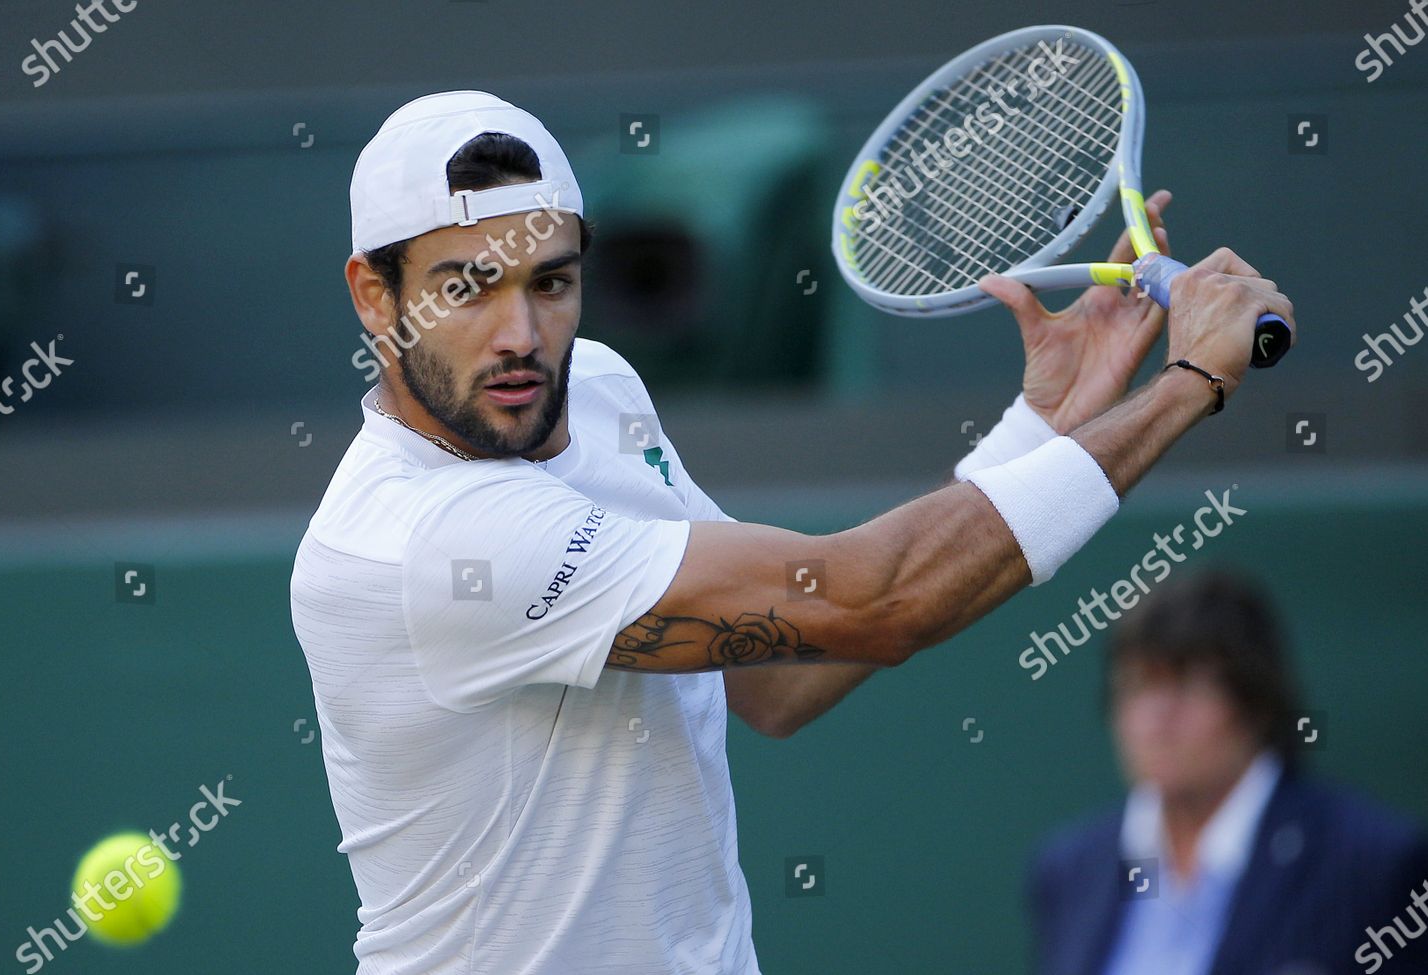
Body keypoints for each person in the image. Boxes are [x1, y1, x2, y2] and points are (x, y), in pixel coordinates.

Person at [290, 89, 1294, 974]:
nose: (521, 336)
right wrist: (1190, 384)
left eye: (549, 283)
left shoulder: (595, 387)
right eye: (467, 289)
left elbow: (778, 678)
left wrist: (1041, 425)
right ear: (374, 295)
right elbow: (872, 600)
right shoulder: (431, 545)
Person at [1027, 569, 1428, 975]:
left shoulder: (1370, 863)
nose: (1154, 721)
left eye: (1185, 688)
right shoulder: (1071, 868)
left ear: (1255, 705)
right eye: (1136, 688)